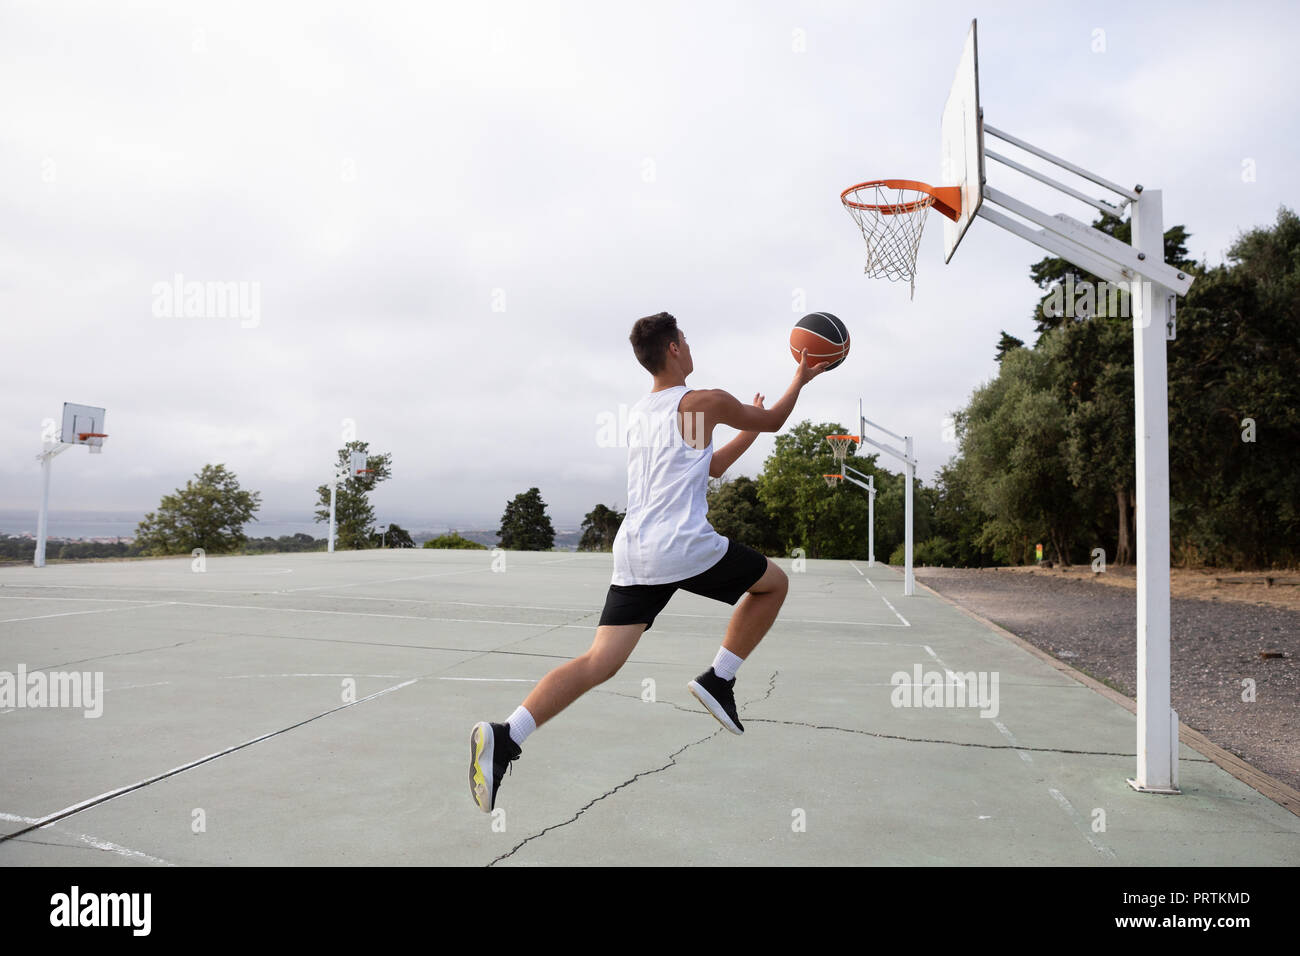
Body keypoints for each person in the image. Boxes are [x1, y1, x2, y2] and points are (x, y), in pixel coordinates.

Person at [469, 311, 828, 812]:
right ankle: (718, 678)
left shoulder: (643, 413)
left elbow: (714, 465)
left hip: (636, 550)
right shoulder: (704, 401)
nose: (690, 343)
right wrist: (801, 376)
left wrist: (745, 423)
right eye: (685, 337)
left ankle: (506, 735)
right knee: (773, 585)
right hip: (682, 545)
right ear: (675, 348)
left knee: (599, 662)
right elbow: (772, 422)